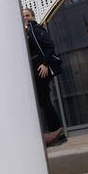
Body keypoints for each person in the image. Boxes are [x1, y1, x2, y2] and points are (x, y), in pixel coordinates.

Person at [22, 8, 66, 146]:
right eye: (23, 16)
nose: (25, 18)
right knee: (43, 101)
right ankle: (56, 132)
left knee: (44, 101)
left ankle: (56, 131)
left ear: (33, 16)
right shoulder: (27, 32)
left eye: (28, 15)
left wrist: (45, 64)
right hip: (35, 70)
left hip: (41, 69)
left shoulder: (36, 30)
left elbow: (49, 46)